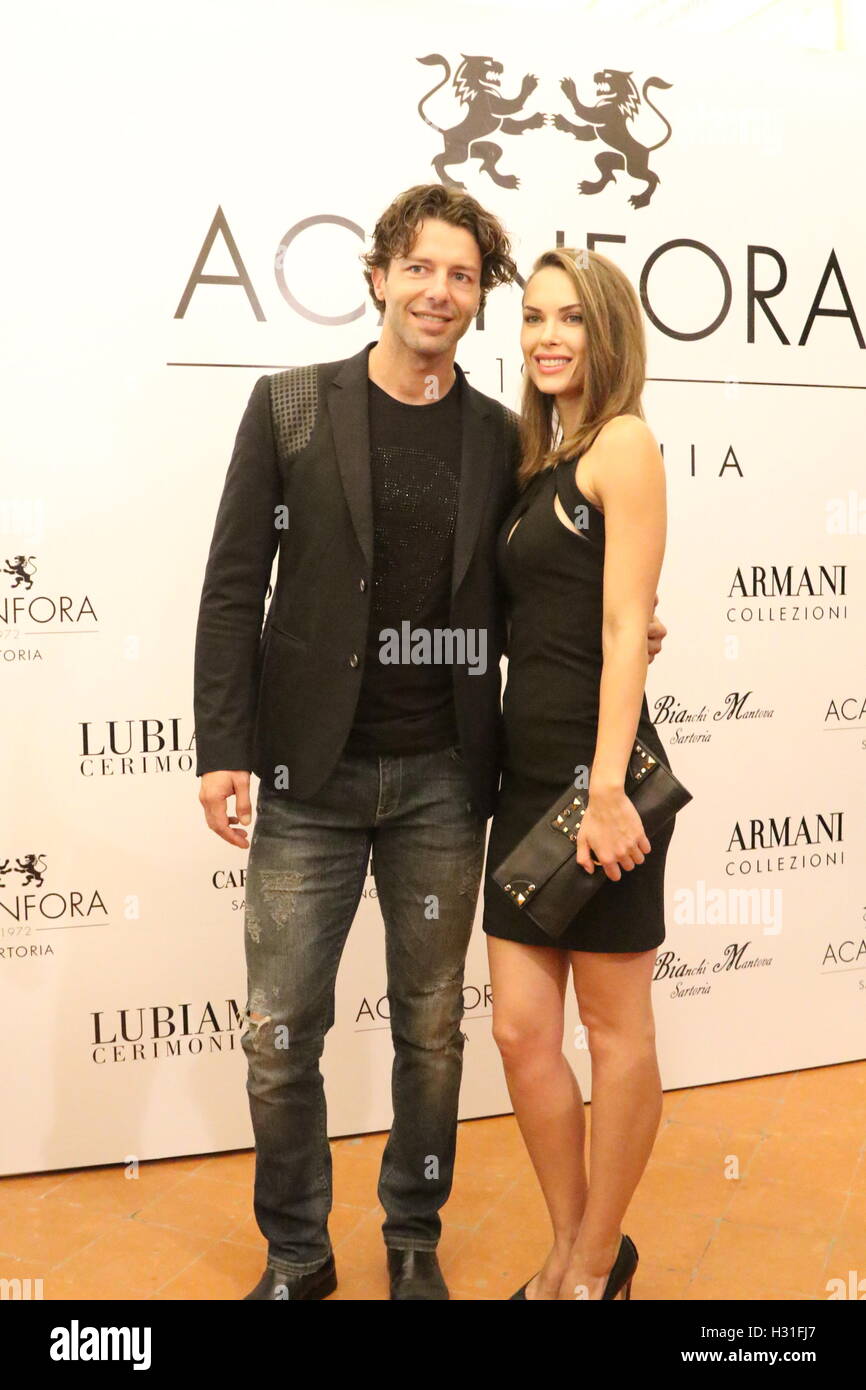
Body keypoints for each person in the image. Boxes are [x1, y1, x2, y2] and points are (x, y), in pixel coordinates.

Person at [193, 185, 669, 1301]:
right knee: (277, 1032)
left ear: (476, 297)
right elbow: (230, 588)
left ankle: (413, 1236)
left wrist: (627, 614)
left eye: (461, 276)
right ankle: (298, 1255)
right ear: (377, 277)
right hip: (303, 777)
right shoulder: (291, 407)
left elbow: (534, 583)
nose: (438, 291)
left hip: (449, 783)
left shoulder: (503, 437)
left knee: (435, 1034)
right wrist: (223, 744)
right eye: (419, 269)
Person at [482, 246, 678, 1301]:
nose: (546, 336)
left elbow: (616, 628)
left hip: (598, 787)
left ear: (607, 334)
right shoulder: (537, 465)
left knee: (613, 1029)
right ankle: (570, 1240)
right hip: (522, 784)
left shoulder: (623, 442)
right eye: (531, 318)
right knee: (519, 1029)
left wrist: (605, 789)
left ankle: (595, 1258)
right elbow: (580, 616)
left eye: (568, 318)